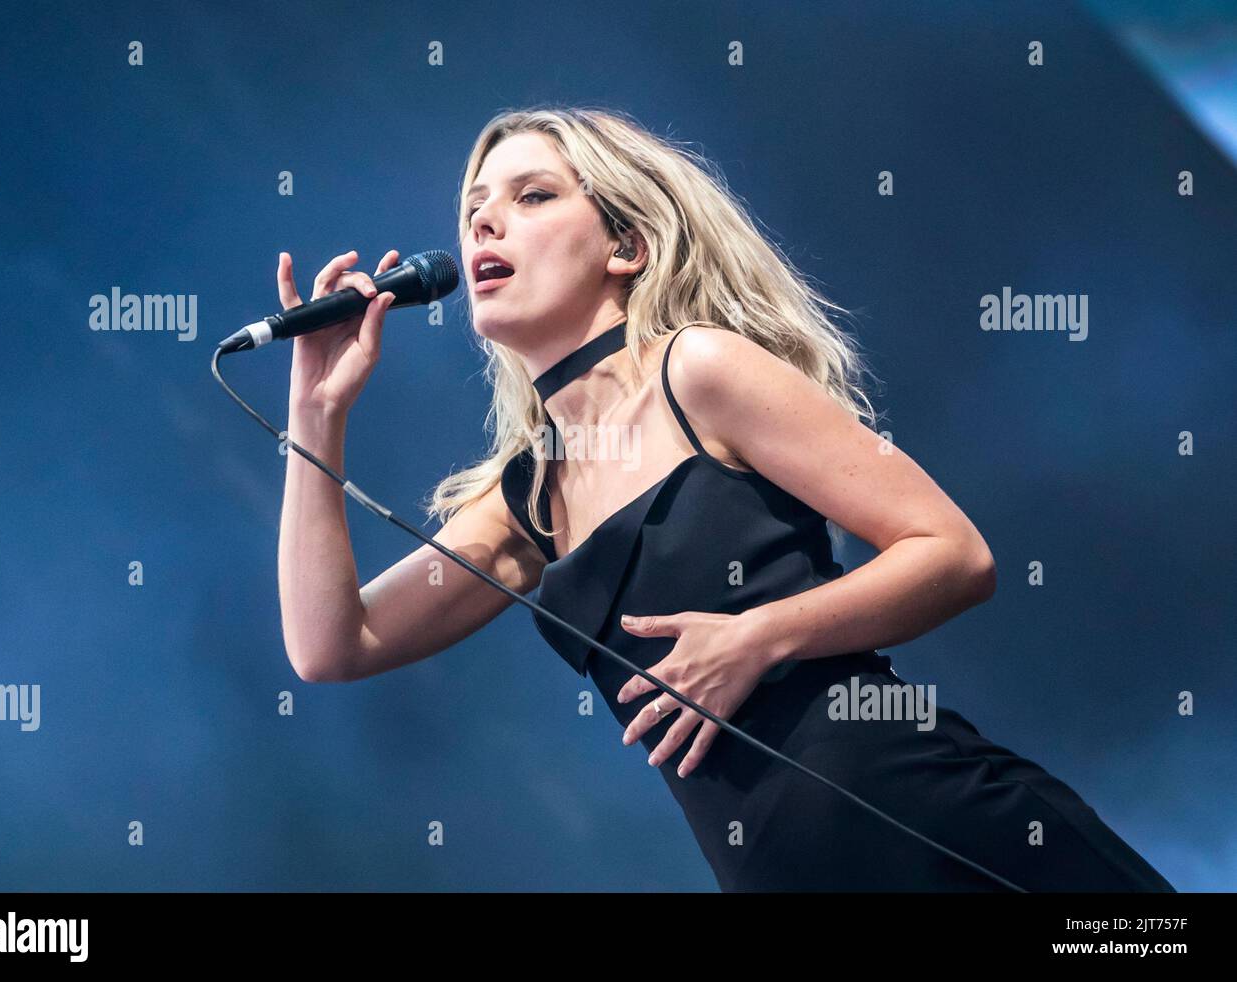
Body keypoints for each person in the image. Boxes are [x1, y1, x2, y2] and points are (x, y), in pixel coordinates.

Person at [275, 106, 1175, 892]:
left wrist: (761, 636)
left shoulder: (697, 370)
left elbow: (953, 555)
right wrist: (316, 414)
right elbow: (331, 645)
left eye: (532, 197)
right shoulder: (529, 498)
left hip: (939, 826)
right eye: (474, 211)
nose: (483, 228)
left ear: (624, 245)